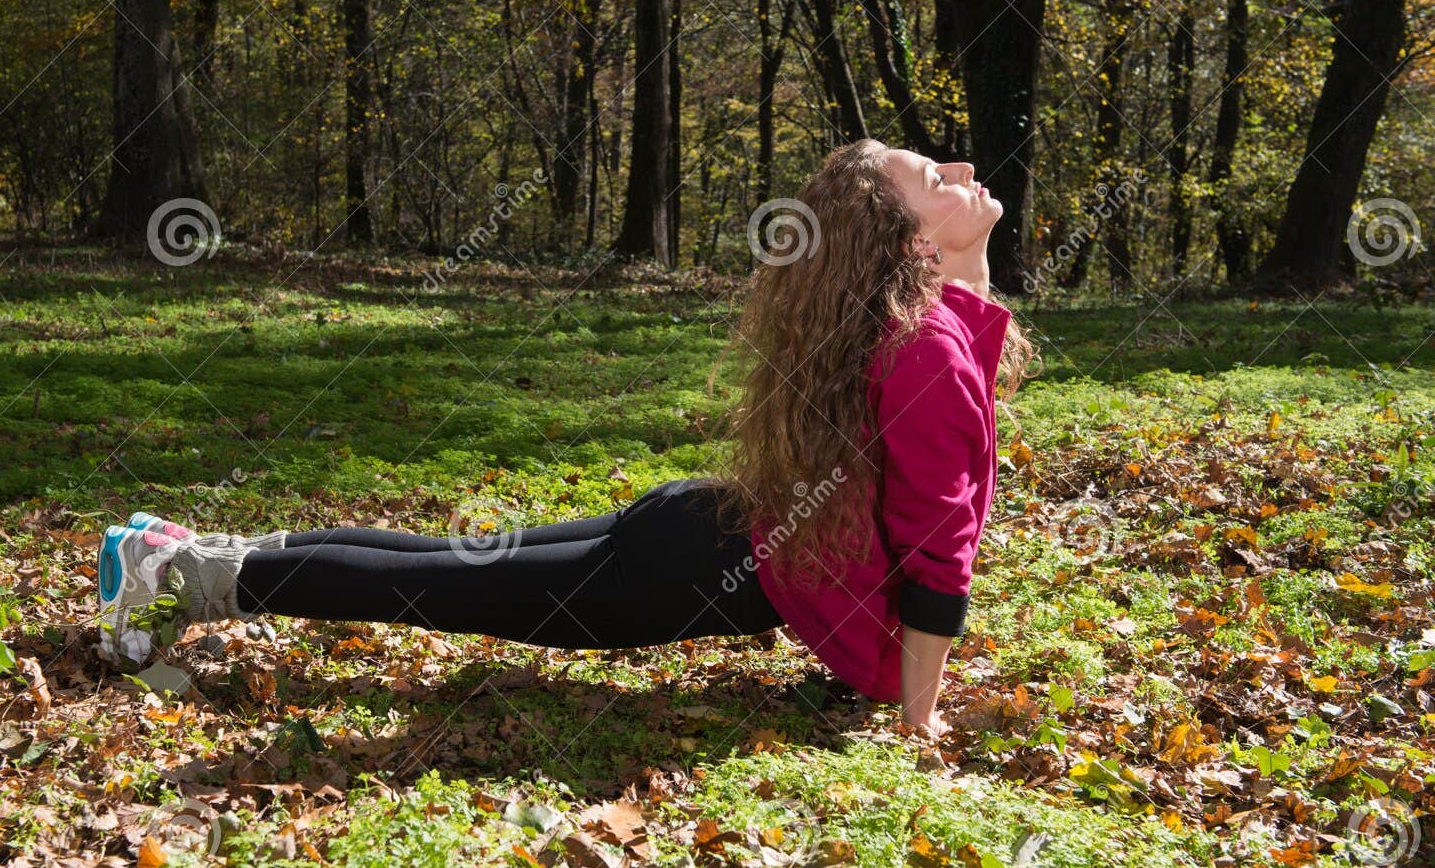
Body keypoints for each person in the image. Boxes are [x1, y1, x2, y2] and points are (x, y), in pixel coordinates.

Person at [95, 140, 1034, 733]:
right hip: (683, 567)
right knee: (436, 582)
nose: (958, 169)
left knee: (442, 563)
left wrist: (970, 245)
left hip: (702, 531)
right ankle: (171, 571)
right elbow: (938, 550)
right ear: (907, 245)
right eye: (931, 175)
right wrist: (918, 719)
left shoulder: (917, 325)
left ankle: (190, 553)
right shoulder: (924, 346)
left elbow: (960, 370)